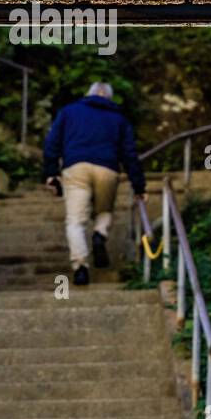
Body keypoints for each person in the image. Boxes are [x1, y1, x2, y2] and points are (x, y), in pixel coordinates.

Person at [42, 82, 145, 285]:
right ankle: (99, 234)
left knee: (75, 221)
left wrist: (51, 173)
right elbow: (129, 155)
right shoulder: (119, 119)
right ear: (109, 97)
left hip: (76, 167)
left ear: (87, 94)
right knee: (104, 209)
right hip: (107, 168)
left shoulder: (69, 112)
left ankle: (80, 266)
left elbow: (52, 143)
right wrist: (139, 185)